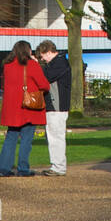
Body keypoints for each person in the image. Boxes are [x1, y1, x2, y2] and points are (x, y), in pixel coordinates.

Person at [0, 41, 50, 177]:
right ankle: (23, 168)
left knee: (11, 138)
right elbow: (44, 85)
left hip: (12, 109)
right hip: (28, 107)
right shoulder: (32, 65)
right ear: (28, 51)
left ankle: (3, 168)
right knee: (26, 139)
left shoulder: (7, 66)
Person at [36, 41, 71, 176]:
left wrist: (37, 65)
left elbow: (45, 77)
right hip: (56, 106)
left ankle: (58, 167)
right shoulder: (59, 62)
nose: (42, 59)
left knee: (55, 136)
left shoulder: (59, 63)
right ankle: (57, 165)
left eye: (43, 56)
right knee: (54, 136)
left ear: (49, 52)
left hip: (57, 107)